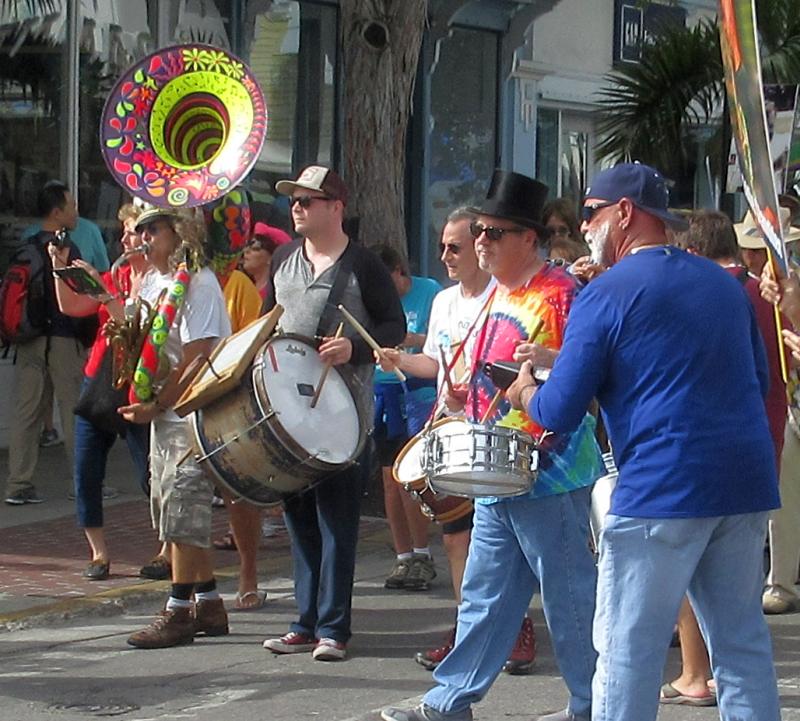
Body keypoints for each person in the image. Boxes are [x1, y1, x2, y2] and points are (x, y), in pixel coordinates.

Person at [507, 162, 781, 721]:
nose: (584, 226)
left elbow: (559, 410)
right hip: (743, 483)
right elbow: (757, 381)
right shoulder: (723, 284)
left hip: (660, 488)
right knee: (742, 647)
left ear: (625, 213)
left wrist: (524, 392)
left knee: (626, 649)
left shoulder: (605, 293)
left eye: (591, 212)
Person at [382, 170, 603, 721]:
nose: (482, 241)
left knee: (570, 600)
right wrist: (465, 399)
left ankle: (595, 706)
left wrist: (541, 374)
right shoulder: (497, 294)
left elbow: (582, 383)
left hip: (549, 474)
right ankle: (448, 702)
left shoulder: (561, 294)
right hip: (496, 470)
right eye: (479, 230)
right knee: (484, 597)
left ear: (529, 238)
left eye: (494, 232)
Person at [260, 165, 405, 662]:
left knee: (337, 523)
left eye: (308, 200)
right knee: (299, 518)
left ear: (336, 207)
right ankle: (304, 621)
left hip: (345, 414)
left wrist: (355, 350)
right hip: (287, 412)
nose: (297, 208)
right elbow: (266, 321)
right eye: (294, 200)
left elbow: (393, 325)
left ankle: (334, 629)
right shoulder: (284, 257)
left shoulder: (363, 264)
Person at [122, 204, 232, 649]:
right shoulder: (153, 280)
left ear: (179, 231)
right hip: (165, 413)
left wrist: (158, 403)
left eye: (153, 229)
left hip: (193, 411)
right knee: (171, 510)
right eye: (141, 230)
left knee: (184, 507)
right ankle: (209, 602)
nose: (144, 237)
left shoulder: (199, 282)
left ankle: (178, 611)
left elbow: (198, 357)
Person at [48, 203, 151, 580]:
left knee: (151, 474)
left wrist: (107, 297)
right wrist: (59, 268)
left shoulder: (162, 283)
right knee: (86, 468)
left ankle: (167, 549)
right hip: (101, 380)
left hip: (140, 385)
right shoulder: (117, 274)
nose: (125, 239)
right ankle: (98, 553)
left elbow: (139, 332)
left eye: (132, 232)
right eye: (124, 232)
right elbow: (71, 305)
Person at [4, 180, 87, 505]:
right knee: (73, 413)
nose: (75, 211)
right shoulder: (68, 250)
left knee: (26, 414)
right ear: (57, 212)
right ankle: (82, 483)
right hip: (64, 340)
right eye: (71, 206)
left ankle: (18, 484)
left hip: (29, 341)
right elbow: (80, 294)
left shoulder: (26, 247)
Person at [373, 244, 441, 592]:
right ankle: (403, 555)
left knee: (413, 477)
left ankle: (422, 552)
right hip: (383, 390)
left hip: (418, 391)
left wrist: (412, 339)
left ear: (401, 271)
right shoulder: (374, 299)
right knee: (389, 478)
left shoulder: (430, 292)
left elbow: (444, 341)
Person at [241, 221, 292, 300]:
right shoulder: (242, 287)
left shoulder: (277, 295)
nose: (246, 251)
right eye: (247, 245)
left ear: (272, 258)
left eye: (255, 248)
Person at [543, 198, 589, 264]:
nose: (557, 236)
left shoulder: (584, 258)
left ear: (571, 232)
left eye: (562, 231)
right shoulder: (536, 258)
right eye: (551, 231)